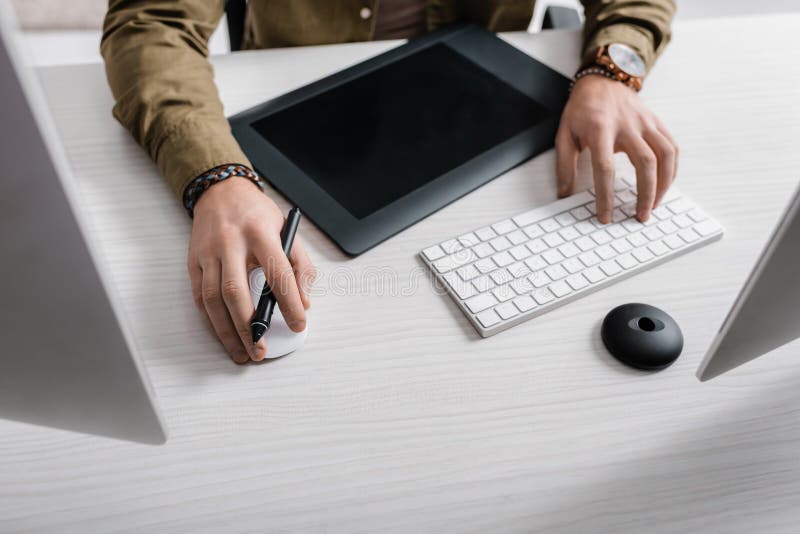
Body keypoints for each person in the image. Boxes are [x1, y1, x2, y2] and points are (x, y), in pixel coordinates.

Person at [101, 0, 677, 364]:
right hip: (295, 123)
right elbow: (151, 20)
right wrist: (216, 177)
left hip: (482, 114)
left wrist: (612, 71)